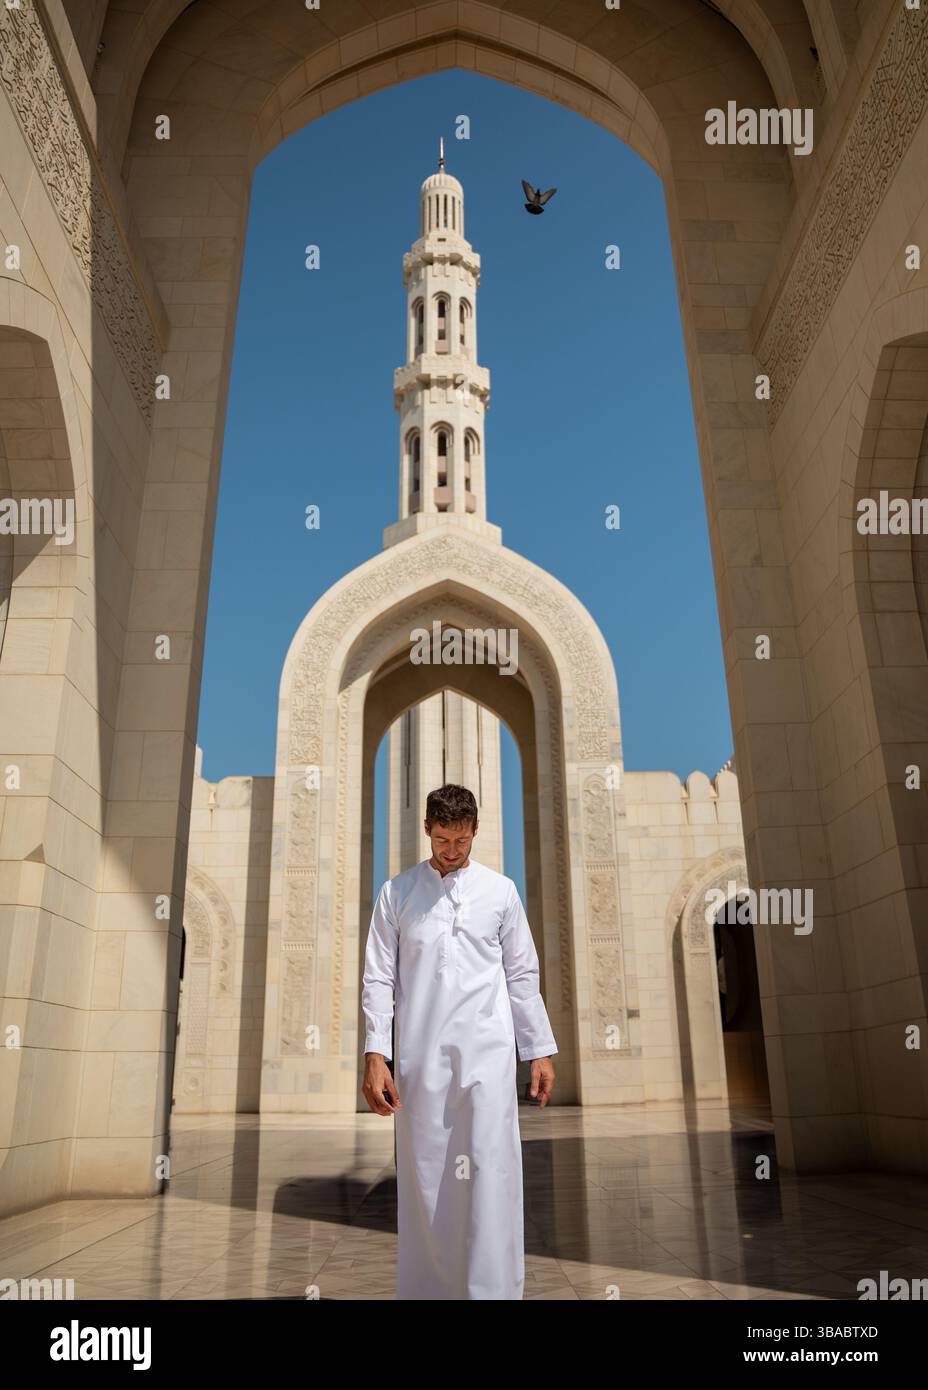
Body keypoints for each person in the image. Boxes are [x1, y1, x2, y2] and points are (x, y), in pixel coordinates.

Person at [361, 783, 557, 1300]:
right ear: (427, 830)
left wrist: (537, 1049)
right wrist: (374, 1054)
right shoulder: (396, 894)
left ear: (475, 832)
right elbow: (378, 979)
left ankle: (492, 1293)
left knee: (492, 1173)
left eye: (462, 840)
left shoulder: (500, 892)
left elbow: (522, 975)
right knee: (428, 1181)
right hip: (420, 1063)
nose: (452, 851)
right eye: (444, 839)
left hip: (488, 1060)